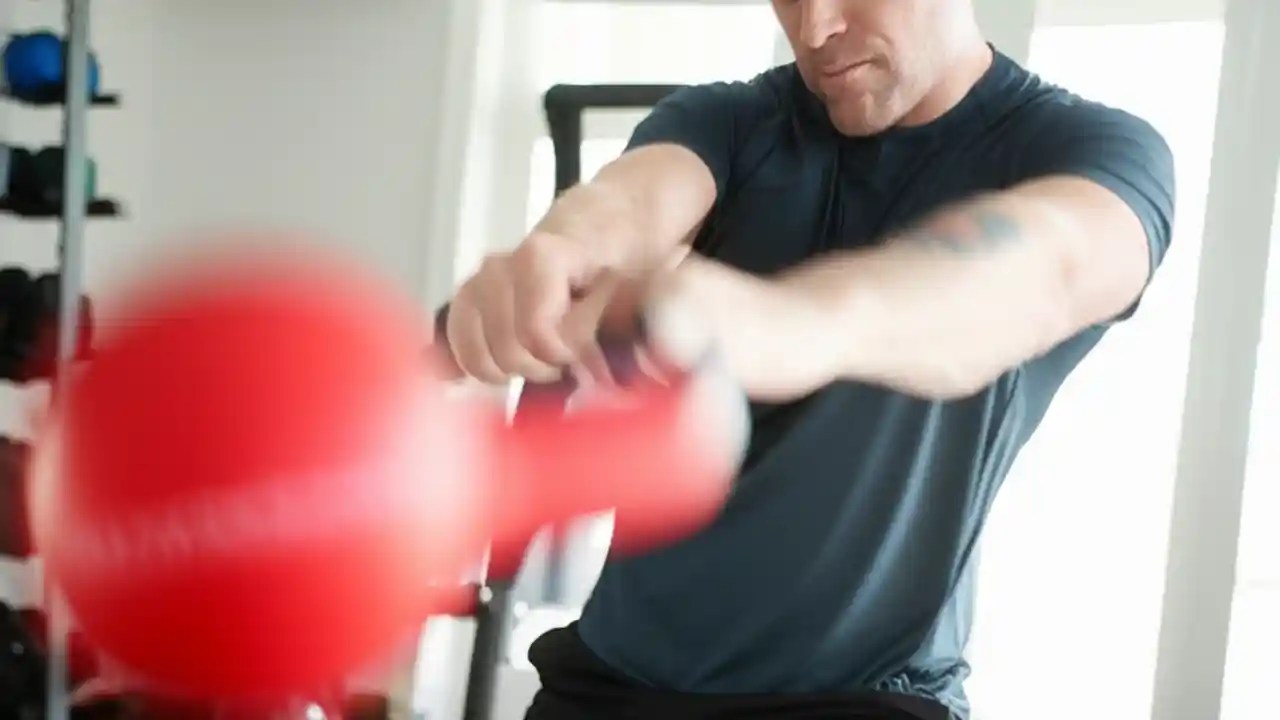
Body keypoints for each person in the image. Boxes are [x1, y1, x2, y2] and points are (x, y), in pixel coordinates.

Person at [441, 0, 1175, 718]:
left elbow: (1039, 268)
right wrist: (562, 251)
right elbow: (628, 202)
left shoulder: (1091, 154)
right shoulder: (727, 121)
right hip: (608, 685)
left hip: (865, 695)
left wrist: (784, 323)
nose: (815, 26)